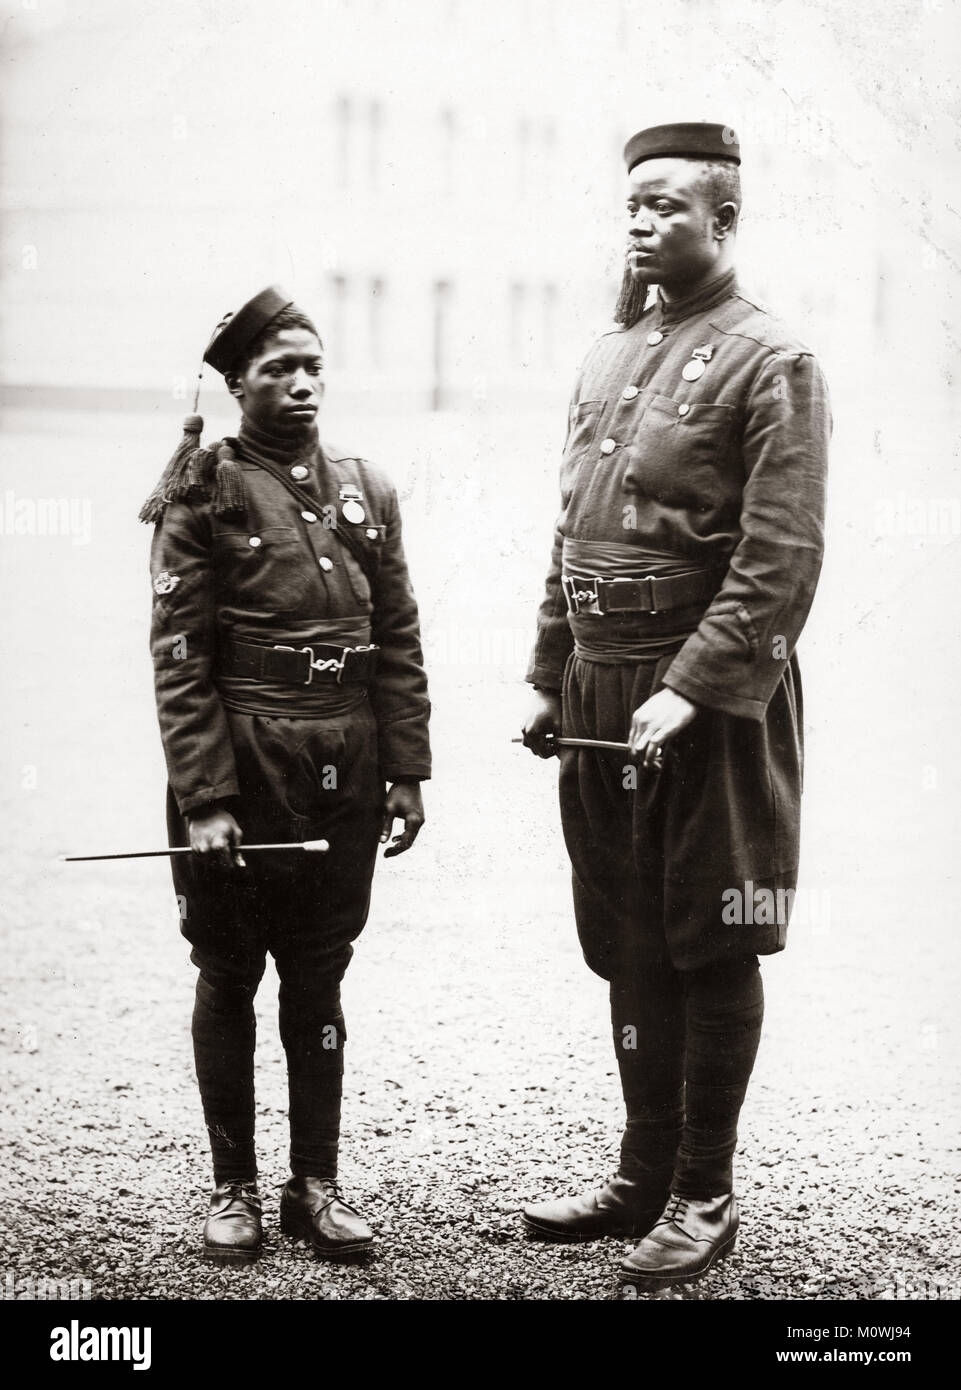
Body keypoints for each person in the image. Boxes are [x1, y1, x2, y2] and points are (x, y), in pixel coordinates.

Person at [520, 123, 830, 1289]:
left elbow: (781, 551)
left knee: (712, 939)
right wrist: (551, 670)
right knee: (628, 939)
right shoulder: (607, 355)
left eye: (667, 207)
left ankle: (704, 1191)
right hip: (604, 687)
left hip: (704, 699)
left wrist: (694, 687)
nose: (643, 224)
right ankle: (641, 1174)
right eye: (632, 206)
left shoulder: (771, 360)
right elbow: (571, 532)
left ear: (724, 221)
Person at [141, 286, 430, 1265]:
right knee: (229, 973)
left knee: (319, 975)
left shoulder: (366, 486)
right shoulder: (203, 488)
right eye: (278, 371)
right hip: (244, 765)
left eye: (313, 367)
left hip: (343, 768)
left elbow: (396, 635)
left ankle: (316, 1184)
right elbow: (180, 653)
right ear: (235, 386)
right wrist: (207, 800)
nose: (303, 385)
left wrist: (406, 770)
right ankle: (234, 1187)